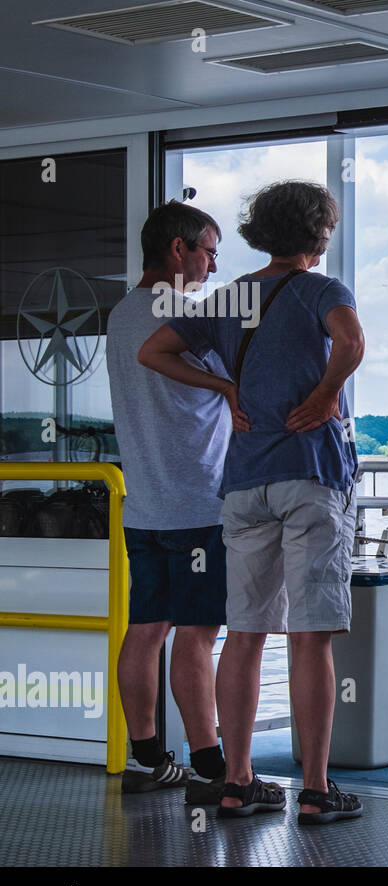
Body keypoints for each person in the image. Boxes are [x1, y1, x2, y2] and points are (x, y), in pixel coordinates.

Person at [139, 180, 365, 825]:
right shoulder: (324, 290)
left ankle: (238, 782)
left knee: (244, 634)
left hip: (242, 483)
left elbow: (153, 351)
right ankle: (317, 790)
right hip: (310, 474)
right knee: (311, 637)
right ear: (318, 235)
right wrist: (324, 397)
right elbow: (350, 343)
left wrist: (224, 390)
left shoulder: (232, 294)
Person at [106, 201, 230, 803]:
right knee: (198, 635)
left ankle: (147, 759)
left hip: (144, 507)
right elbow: (247, 380)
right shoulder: (188, 315)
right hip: (199, 504)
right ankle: (211, 767)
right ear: (177, 250)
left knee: (146, 630)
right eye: (208, 250)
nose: (212, 265)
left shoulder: (121, 314)